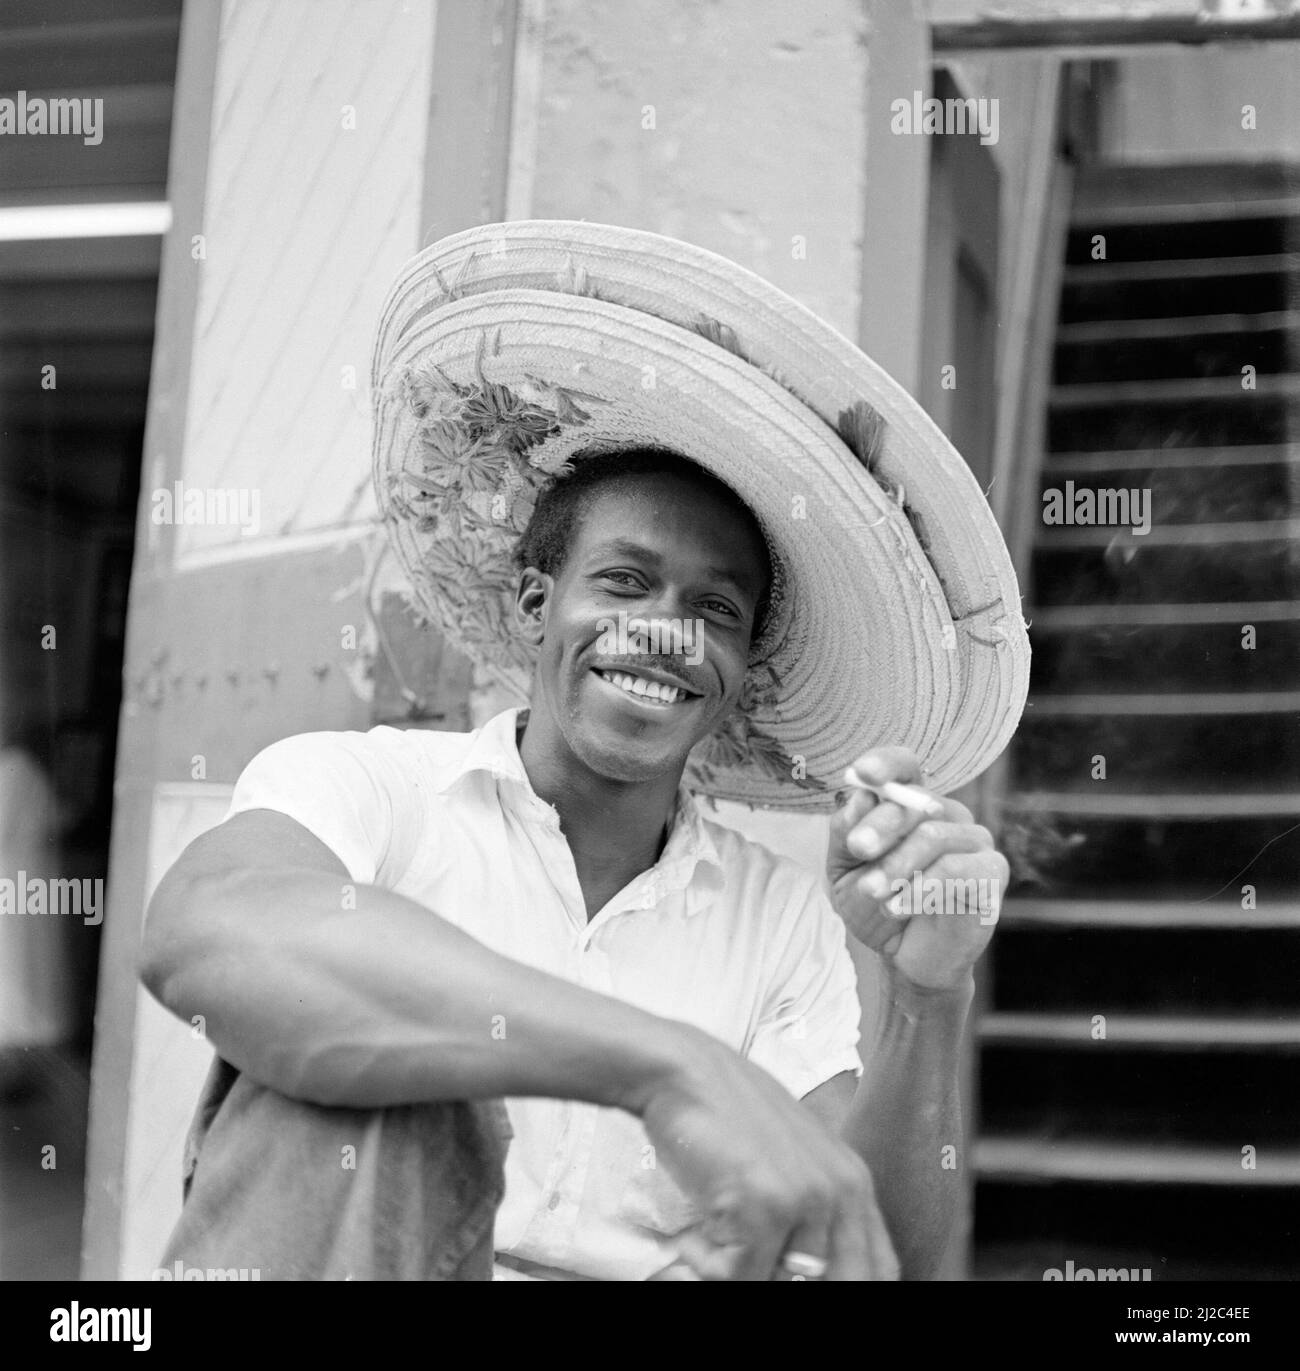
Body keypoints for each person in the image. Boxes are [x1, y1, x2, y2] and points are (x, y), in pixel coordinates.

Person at [141, 220, 1029, 1282]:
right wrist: (668, 1068)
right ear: (533, 607)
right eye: (622, 582)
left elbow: (871, 1260)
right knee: (353, 1081)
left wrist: (928, 995)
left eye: (714, 610)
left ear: (738, 670)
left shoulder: (776, 917)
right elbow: (202, 933)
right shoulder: (366, 788)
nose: (664, 631)